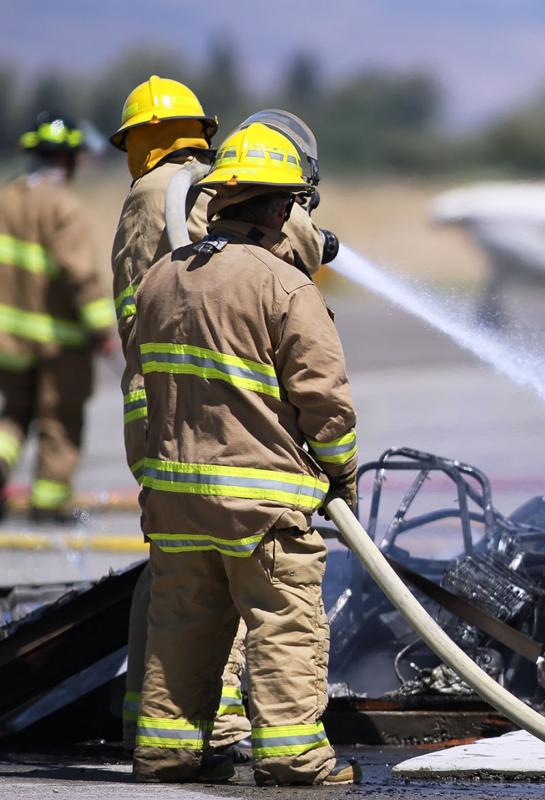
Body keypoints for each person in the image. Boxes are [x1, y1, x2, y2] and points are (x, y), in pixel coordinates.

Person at [110, 76, 338, 755]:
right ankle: (242, 730)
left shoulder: (161, 195)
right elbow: (269, 277)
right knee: (242, 571)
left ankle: (158, 734)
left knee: (179, 569)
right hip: (200, 411)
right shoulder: (183, 193)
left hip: (167, 407)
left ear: (135, 141)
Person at [0, 112, 116, 521]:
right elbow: (80, 274)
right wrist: (102, 328)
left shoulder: (7, 198)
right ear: (67, 160)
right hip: (58, 342)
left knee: (14, 414)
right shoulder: (65, 207)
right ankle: (49, 505)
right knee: (59, 421)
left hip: (8, 340)